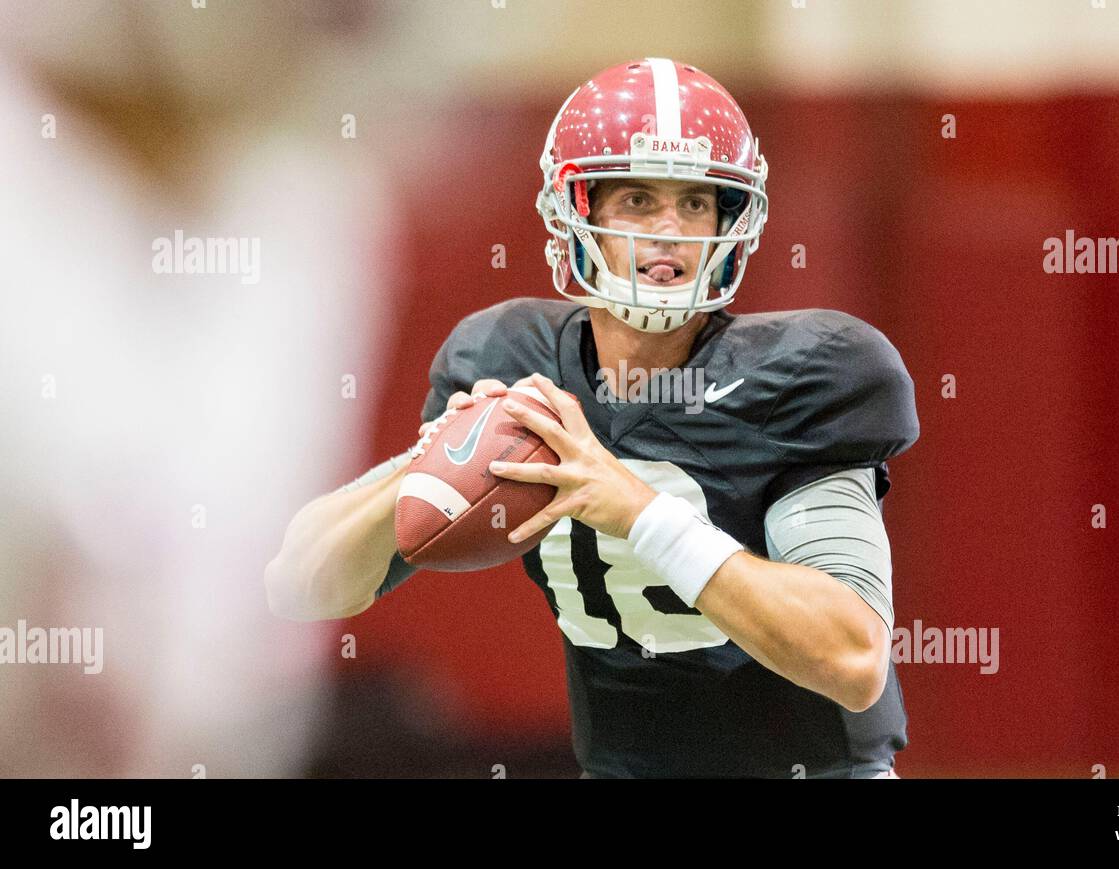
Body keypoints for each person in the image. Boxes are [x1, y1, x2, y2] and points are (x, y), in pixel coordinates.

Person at [265, 58, 920, 778]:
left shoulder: (805, 372)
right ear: (578, 212)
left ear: (733, 218)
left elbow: (854, 656)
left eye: (697, 202)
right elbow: (298, 581)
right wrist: (429, 465)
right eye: (638, 199)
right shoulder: (511, 360)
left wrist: (638, 511)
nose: (671, 229)